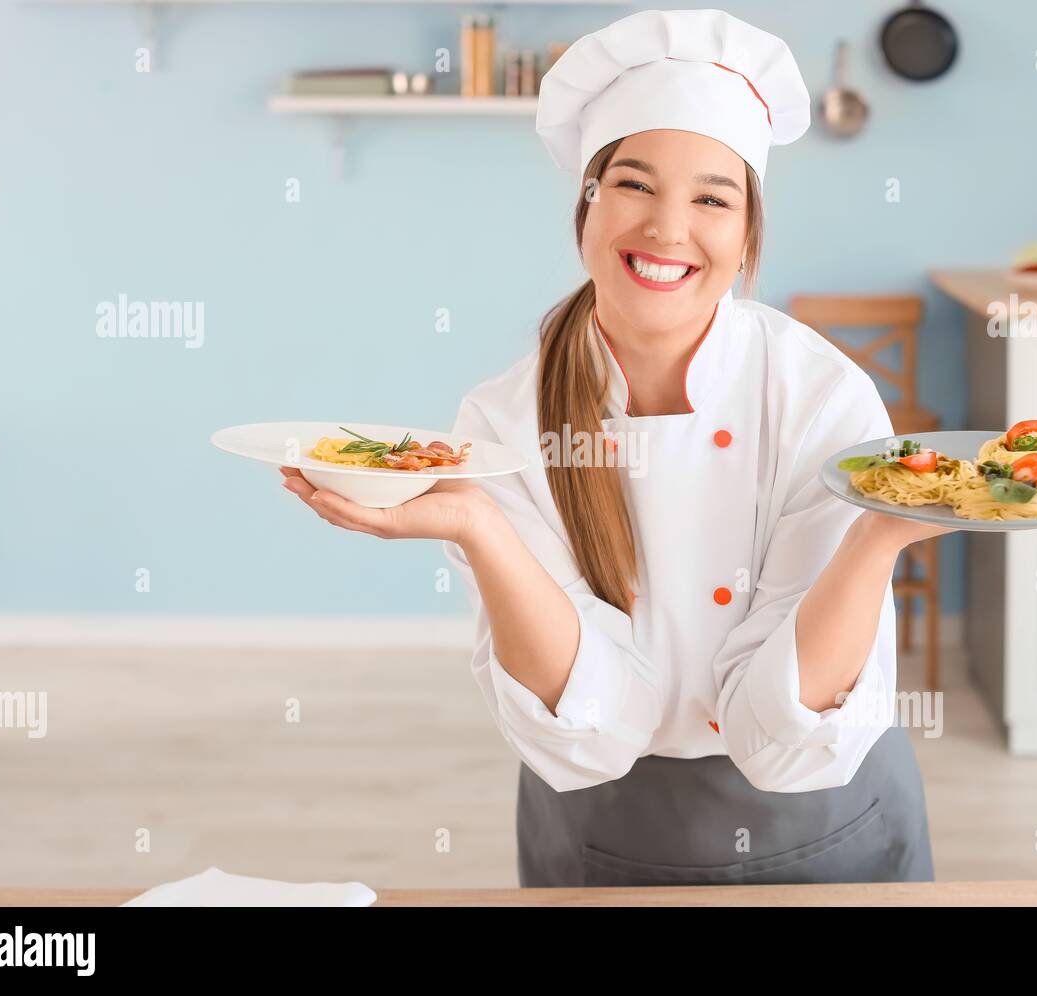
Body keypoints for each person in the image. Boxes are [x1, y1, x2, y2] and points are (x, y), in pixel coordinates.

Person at [281, 8, 949, 887]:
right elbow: (593, 731)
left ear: (747, 235)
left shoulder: (822, 397)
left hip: (828, 816)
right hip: (602, 827)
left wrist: (878, 536)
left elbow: (784, 737)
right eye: (634, 184)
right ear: (586, 204)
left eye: (713, 198)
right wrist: (480, 528)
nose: (668, 229)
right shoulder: (504, 422)